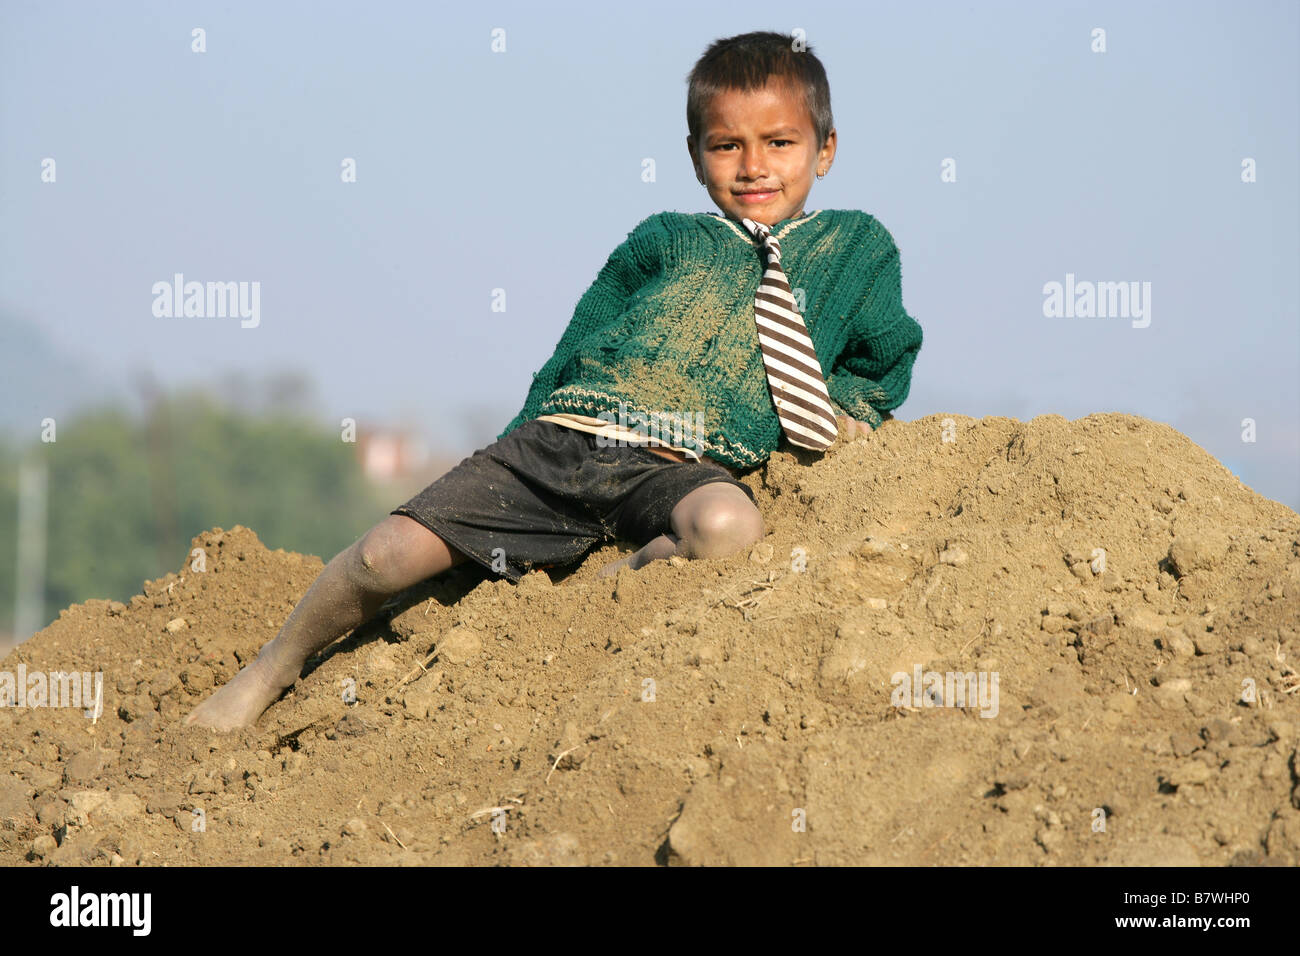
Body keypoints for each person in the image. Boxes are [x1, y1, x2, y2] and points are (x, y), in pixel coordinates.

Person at [187, 29, 922, 731]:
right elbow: (578, 341)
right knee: (384, 560)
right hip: (566, 440)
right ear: (697, 157)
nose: (753, 166)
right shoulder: (665, 238)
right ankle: (269, 669)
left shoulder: (857, 245)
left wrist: (852, 408)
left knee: (729, 527)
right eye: (726, 145)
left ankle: (590, 592)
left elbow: (884, 355)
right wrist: (518, 443)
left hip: (681, 465)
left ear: (825, 150)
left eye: (780, 144)